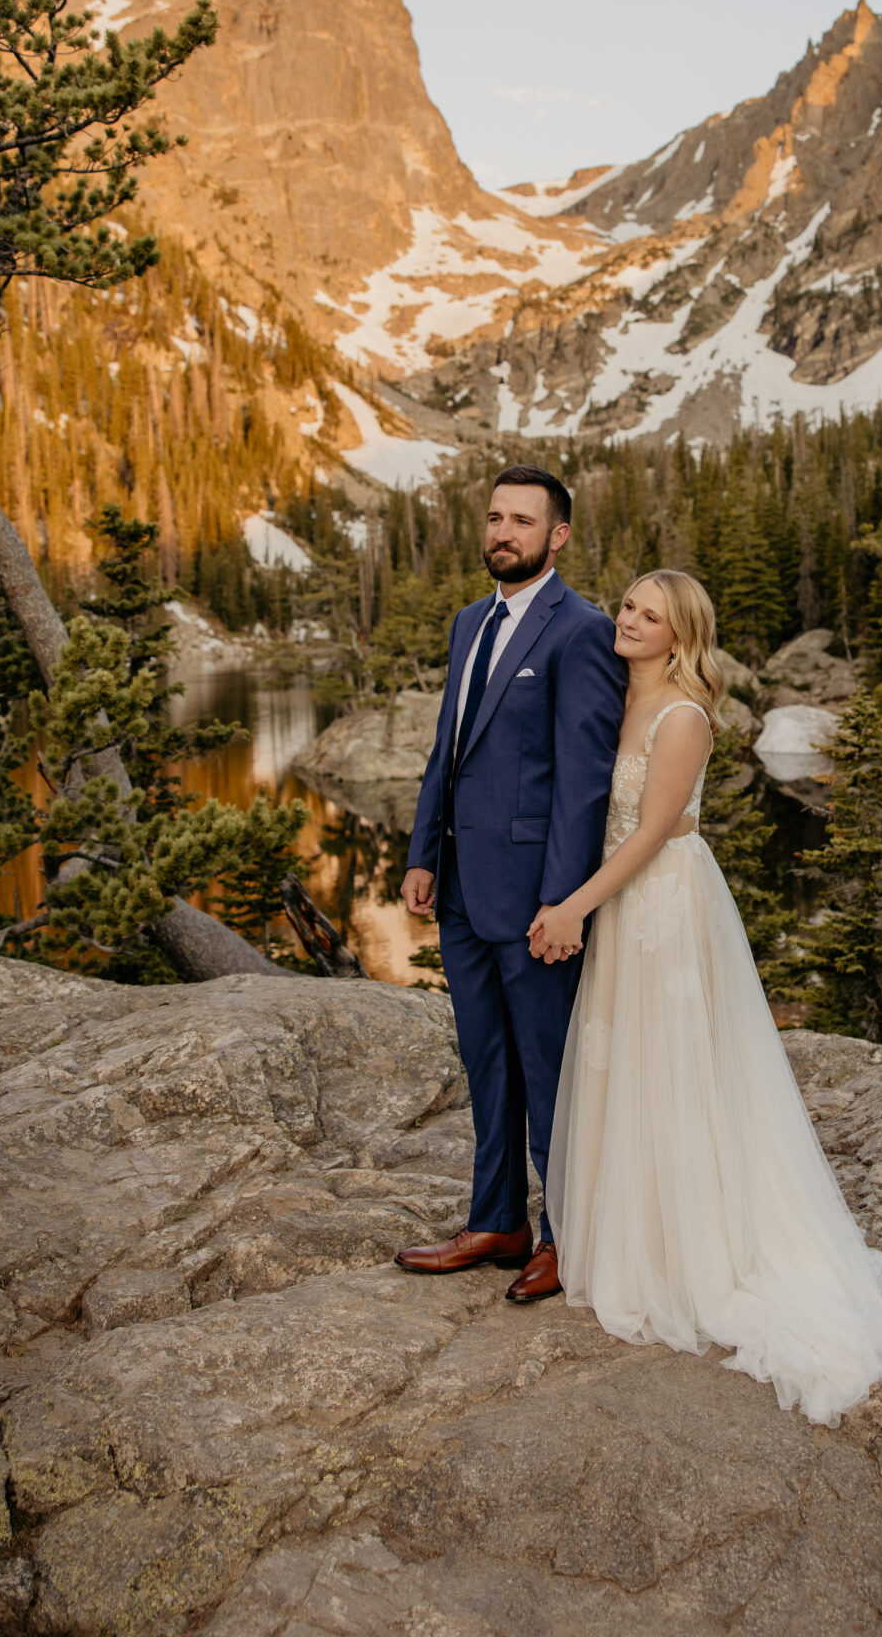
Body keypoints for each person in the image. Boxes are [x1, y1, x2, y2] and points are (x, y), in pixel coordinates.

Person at [534, 569, 882, 1424]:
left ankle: (691, 1250)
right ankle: (628, 1237)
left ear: (681, 636)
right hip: (620, 905)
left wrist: (573, 903)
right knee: (625, 1061)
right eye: (627, 607)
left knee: (670, 1065)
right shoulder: (614, 697)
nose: (629, 622)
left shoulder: (683, 714)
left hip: (658, 904)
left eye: (650, 616)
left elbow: (651, 832)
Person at [395, 466, 626, 1303]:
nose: (503, 533)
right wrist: (423, 854)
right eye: (495, 517)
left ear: (556, 536)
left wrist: (562, 902)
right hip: (459, 889)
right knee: (486, 1062)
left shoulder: (582, 631)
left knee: (549, 1068)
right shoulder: (468, 623)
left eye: (522, 522)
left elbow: (582, 782)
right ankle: (496, 1220)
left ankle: (569, 1233)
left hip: (534, 901)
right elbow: (446, 751)